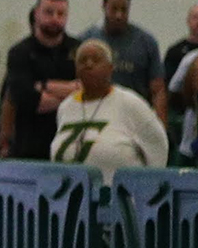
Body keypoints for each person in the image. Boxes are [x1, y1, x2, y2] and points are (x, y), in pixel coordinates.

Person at [51, 40, 167, 177]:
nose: (89, 64)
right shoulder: (66, 107)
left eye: (96, 60)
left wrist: (148, 189)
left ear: (110, 68)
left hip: (119, 194)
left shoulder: (130, 103)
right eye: (82, 60)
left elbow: (158, 147)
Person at [0, 0, 80, 160]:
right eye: (49, 12)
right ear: (36, 13)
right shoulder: (19, 53)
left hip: (71, 150)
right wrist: (70, 92)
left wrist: (44, 86)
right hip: (29, 150)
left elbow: (87, 92)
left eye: (61, 14)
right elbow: (26, 99)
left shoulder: (79, 50)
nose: (55, 19)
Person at [80, 0, 166, 122]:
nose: (119, 15)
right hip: (96, 116)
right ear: (104, 6)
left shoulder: (146, 42)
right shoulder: (87, 41)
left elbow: (158, 90)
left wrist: (162, 127)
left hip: (136, 117)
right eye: (114, 9)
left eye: (124, 10)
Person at [165, 3, 198, 120]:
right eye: (195, 17)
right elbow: (170, 87)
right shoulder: (176, 51)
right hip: (181, 112)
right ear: (188, 21)